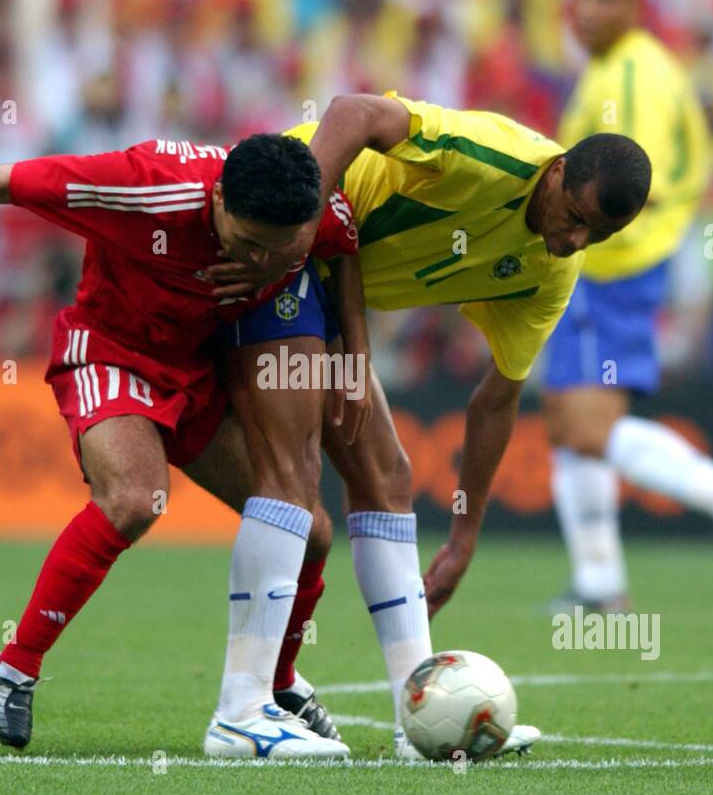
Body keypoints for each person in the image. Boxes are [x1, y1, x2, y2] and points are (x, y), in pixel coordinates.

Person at [0, 133, 361, 759]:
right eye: (248, 243)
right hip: (112, 353)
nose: (260, 260)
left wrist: (354, 362)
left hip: (196, 377)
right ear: (220, 196)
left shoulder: (312, 215)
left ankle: (276, 687)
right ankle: (14, 667)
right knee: (136, 498)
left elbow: (350, 247)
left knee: (308, 530)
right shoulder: (144, 184)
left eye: (278, 250)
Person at [203, 90, 651, 756]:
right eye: (576, 216)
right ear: (556, 173)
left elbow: (494, 400)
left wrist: (465, 537)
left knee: (387, 478)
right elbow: (353, 112)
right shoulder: (491, 157)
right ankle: (239, 712)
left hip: (332, 278)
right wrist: (294, 228)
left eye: (598, 236)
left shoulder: (550, 274)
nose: (576, 240)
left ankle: (417, 720)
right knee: (294, 471)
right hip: (288, 226)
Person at [541, 0, 713, 613]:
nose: (589, 10)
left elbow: (623, 186)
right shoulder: (619, 69)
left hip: (615, 265)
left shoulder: (634, 77)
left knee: (587, 425)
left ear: (637, 8)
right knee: (564, 418)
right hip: (607, 266)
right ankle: (597, 582)